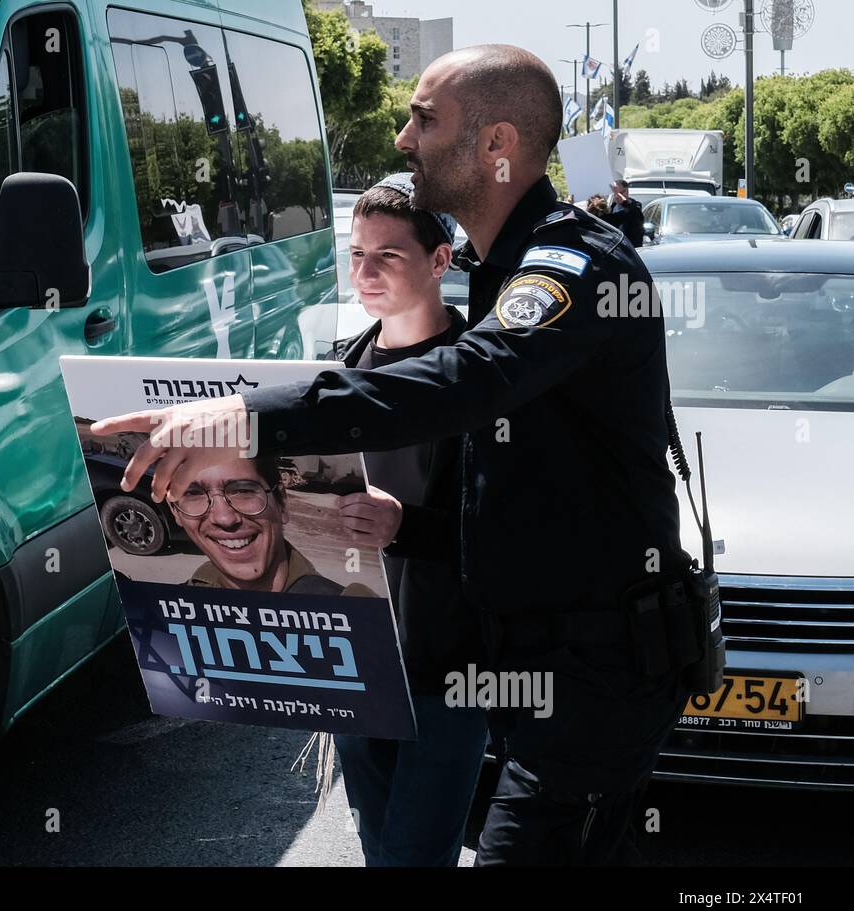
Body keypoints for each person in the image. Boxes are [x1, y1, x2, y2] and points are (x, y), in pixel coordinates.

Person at [93, 43, 688, 866]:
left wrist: (246, 418)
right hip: (535, 668)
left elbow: (470, 378)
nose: (405, 139)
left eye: (425, 118)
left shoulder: (570, 266)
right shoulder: (499, 273)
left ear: (496, 145)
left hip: (596, 679)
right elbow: (510, 505)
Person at [330, 174, 487, 867]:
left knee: (414, 859)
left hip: (449, 670)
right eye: (356, 253)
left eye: (387, 256)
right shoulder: (344, 370)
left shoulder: (481, 375)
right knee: (380, 852)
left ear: (440, 261)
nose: (364, 272)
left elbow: (523, 537)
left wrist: (407, 528)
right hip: (359, 664)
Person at [171, 454, 375, 597]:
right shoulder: (164, 615)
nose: (224, 518)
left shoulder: (355, 614)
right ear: (175, 512)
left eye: (243, 490)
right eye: (194, 493)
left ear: (282, 503)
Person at [604, 179, 645, 247]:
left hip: (632, 247)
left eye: (621, 193)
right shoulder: (611, 208)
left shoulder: (635, 206)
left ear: (627, 191)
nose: (618, 196)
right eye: (616, 193)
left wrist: (624, 202)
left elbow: (633, 211)